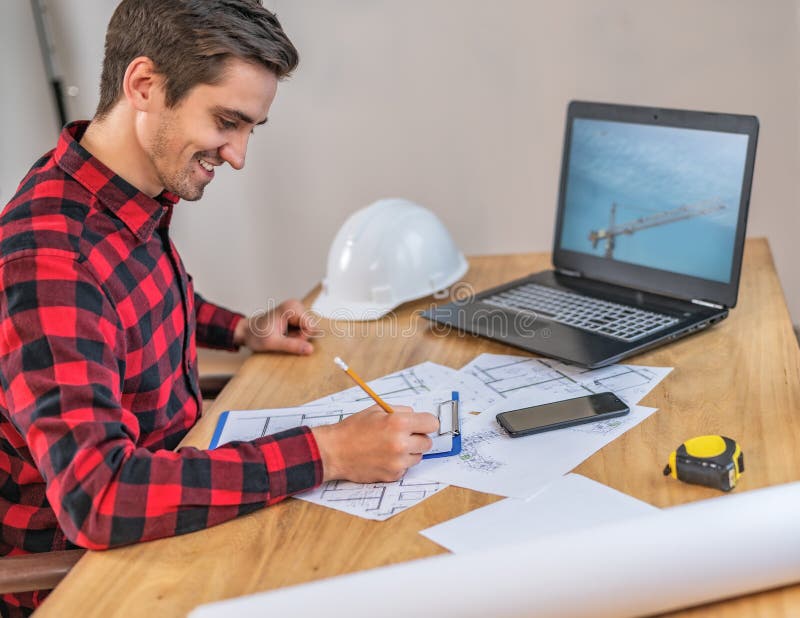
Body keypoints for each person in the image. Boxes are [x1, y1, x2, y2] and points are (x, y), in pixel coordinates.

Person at [0, 1, 438, 614]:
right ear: (144, 85)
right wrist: (331, 452)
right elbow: (97, 499)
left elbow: (124, 307)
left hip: (174, 505)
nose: (237, 155)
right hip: (95, 581)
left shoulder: (110, 197)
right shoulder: (50, 257)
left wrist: (238, 328)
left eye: (250, 129)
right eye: (227, 122)